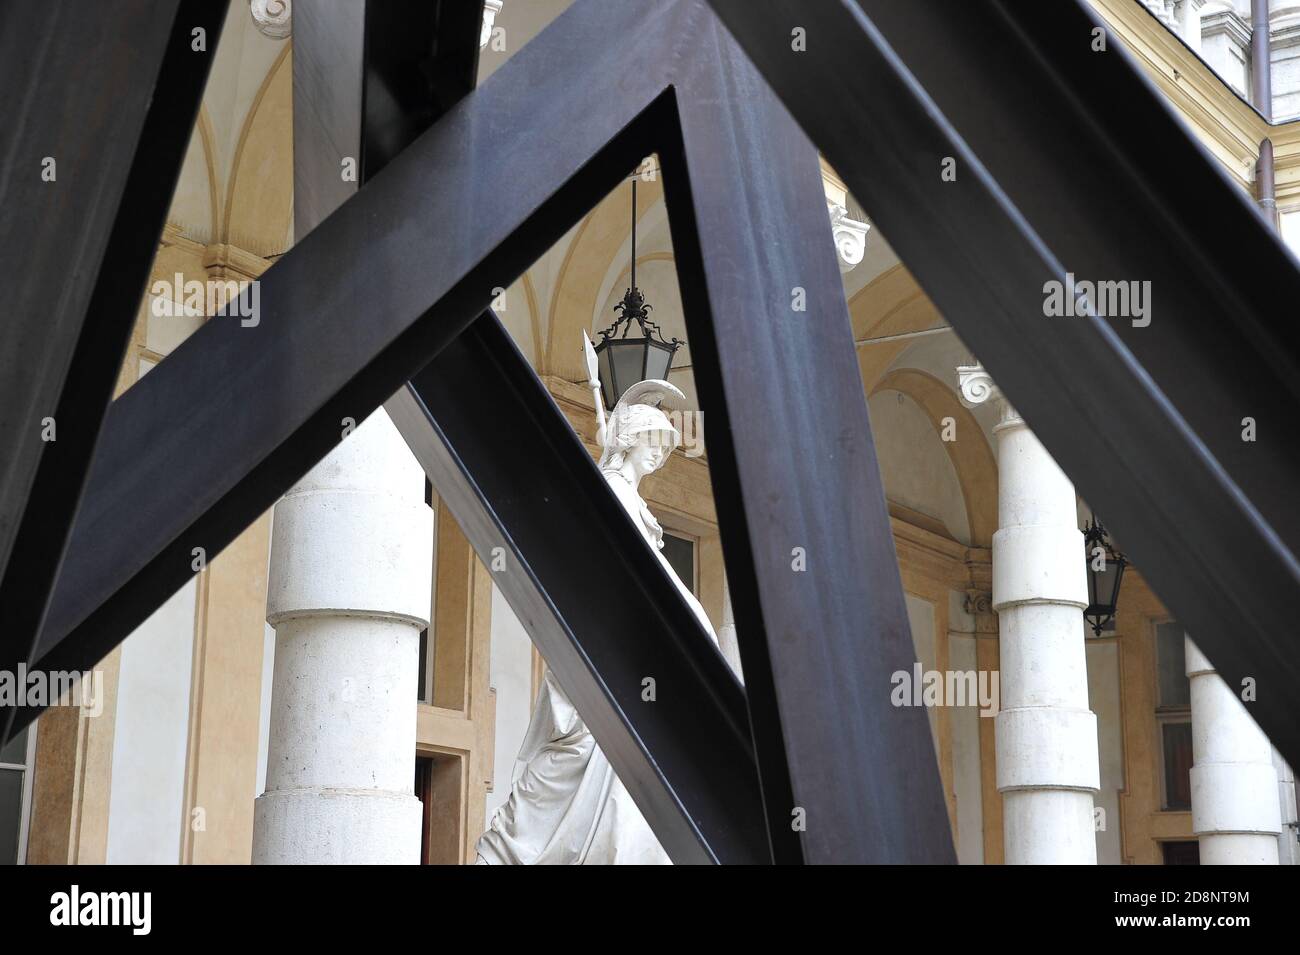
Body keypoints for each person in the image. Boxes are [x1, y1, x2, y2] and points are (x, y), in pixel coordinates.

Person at [474, 378, 717, 865]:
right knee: (575, 749)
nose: (659, 457)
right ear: (630, 438)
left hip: (625, 647)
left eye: (666, 449)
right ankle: (509, 851)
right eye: (654, 443)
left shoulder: (628, 501)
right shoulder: (608, 494)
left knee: (617, 761)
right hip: (600, 644)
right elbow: (611, 572)